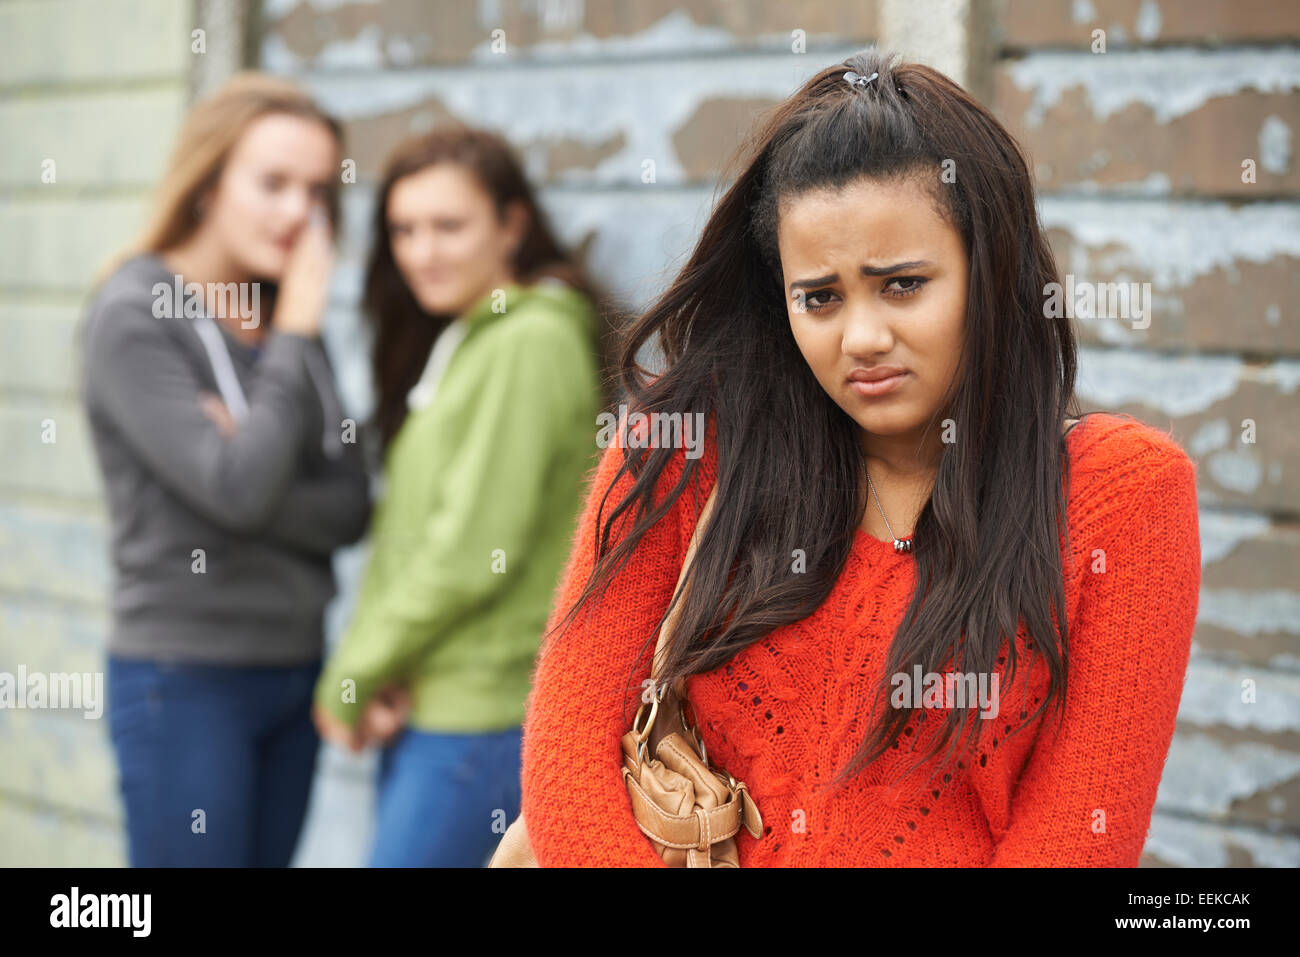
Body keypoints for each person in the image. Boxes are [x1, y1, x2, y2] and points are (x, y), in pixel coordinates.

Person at [518, 49, 1202, 866]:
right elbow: (565, 778)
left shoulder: (1121, 495)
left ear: (992, 271)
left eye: (903, 284)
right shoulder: (681, 449)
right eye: (821, 297)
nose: (863, 338)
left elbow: (1079, 842)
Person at [79, 72, 371, 866]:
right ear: (207, 182)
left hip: (294, 669)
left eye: (315, 190)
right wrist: (250, 467)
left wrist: (248, 464)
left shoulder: (278, 316)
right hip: (186, 677)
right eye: (271, 182)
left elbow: (350, 505)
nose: (296, 213)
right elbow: (240, 489)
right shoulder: (135, 312)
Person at [311, 127, 611, 867]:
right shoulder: (472, 338)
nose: (422, 252)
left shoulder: (528, 340)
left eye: (449, 226)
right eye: (404, 229)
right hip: (437, 702)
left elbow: (472, 551)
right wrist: (391, 668)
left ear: (511, 224)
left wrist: (351, 676)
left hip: (484, 715)